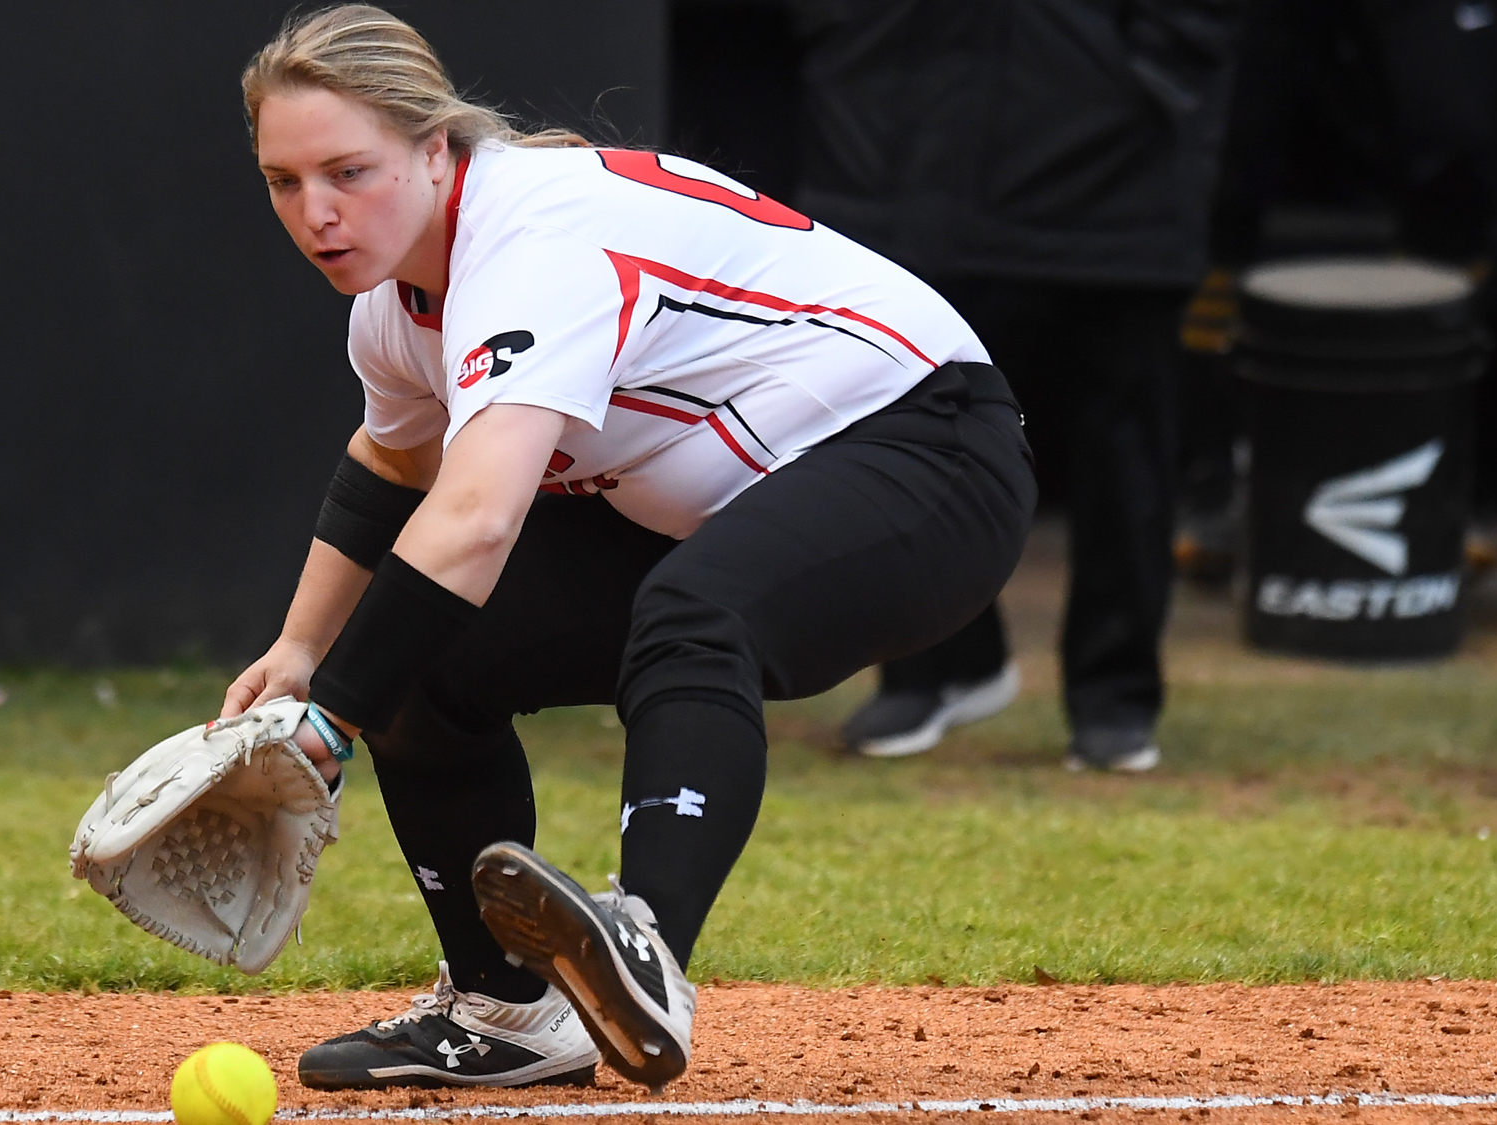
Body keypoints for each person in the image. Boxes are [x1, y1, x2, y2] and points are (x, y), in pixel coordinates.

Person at [219, 5, 1034, 1093]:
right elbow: (392, 467)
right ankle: (507, 1015)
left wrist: (330, 723)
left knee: (696, 613)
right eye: (284, 180)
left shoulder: (531, 235)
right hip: (743, 495)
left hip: (929, 448)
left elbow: (472, 522)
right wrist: (302, 653)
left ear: (435, 148)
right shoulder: (393, 303)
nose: (315, 210)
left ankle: (645, 949)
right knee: (424, 661)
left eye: (347, 171)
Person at [795, 0, 1244, 768]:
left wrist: (1139, 69)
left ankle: (1116, 694)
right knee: (906, 427)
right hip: (901, 146)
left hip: (1117, 168)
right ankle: (935, 663)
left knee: (1125, 447)